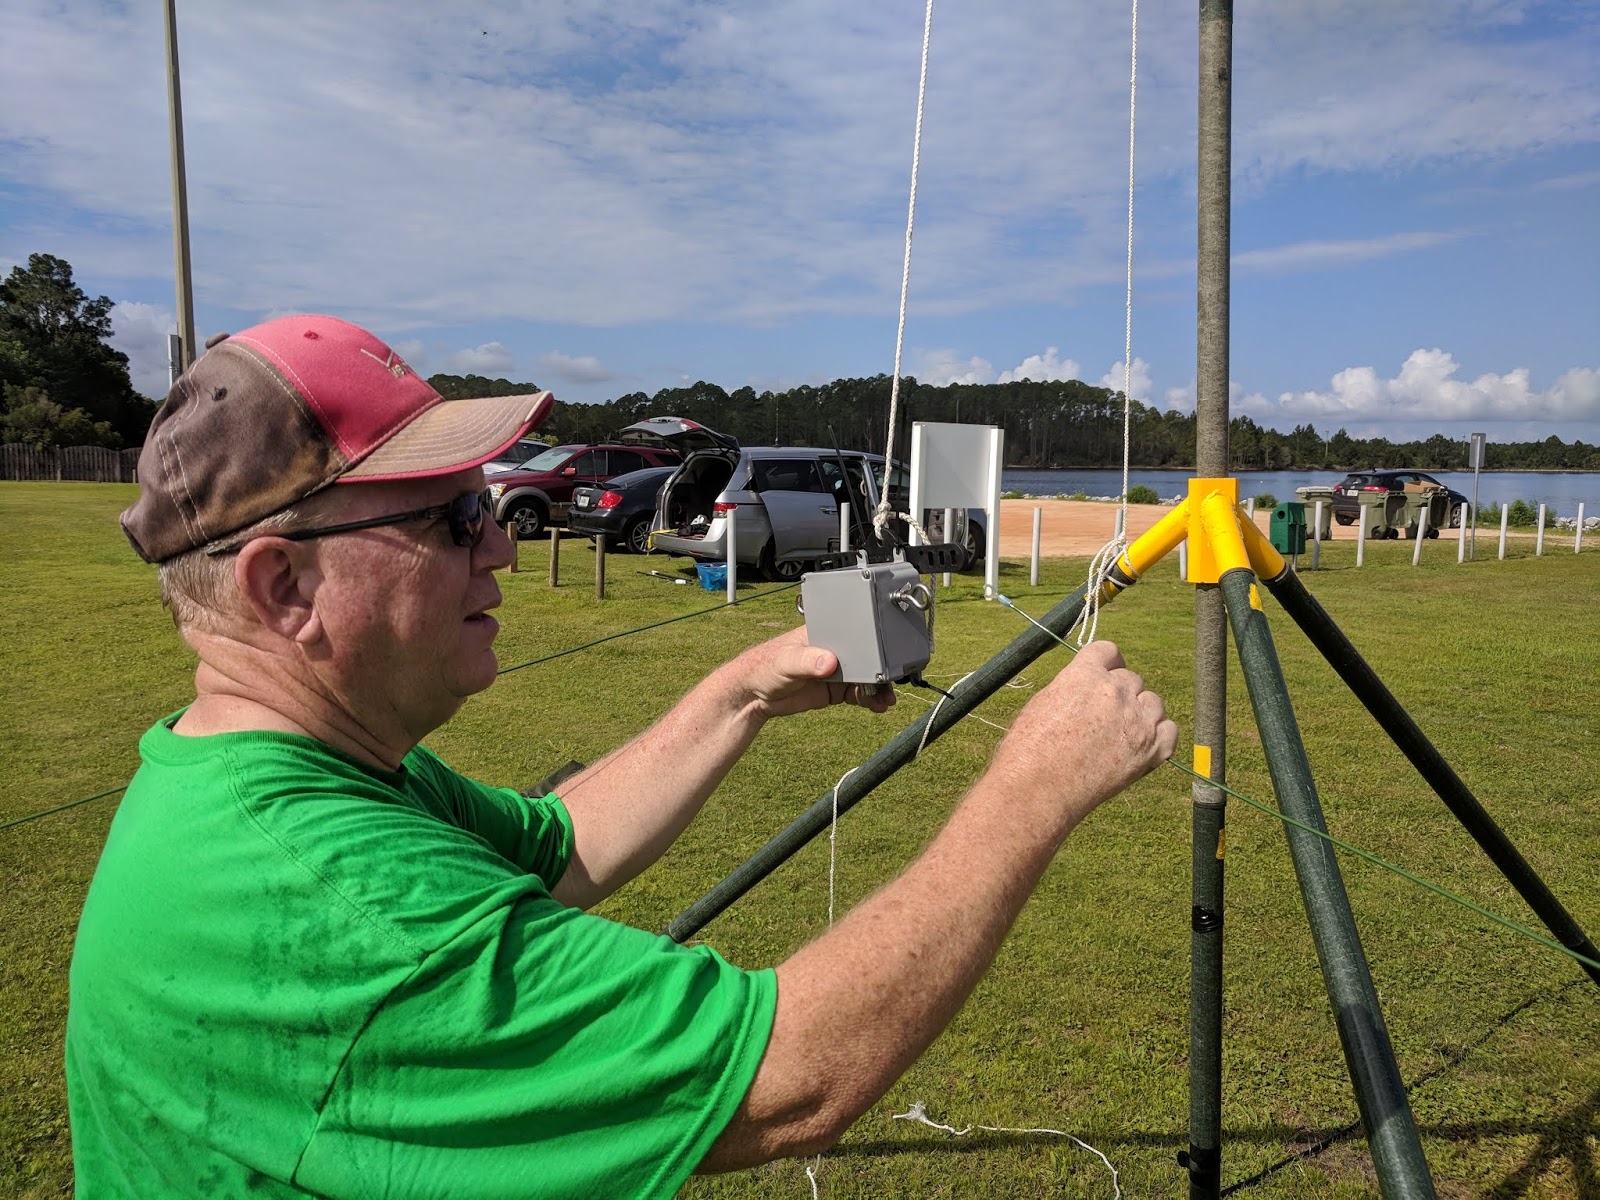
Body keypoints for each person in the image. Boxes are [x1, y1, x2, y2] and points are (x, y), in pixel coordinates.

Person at [67, 314, 1178, 1198]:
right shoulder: (334, 895)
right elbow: (785, 1083)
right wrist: (1036, 784)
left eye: (489, 505)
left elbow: (554, 847)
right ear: (284, 586)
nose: (502, 540)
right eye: (456, 518)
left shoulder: (272, 777)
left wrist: (739, 692)